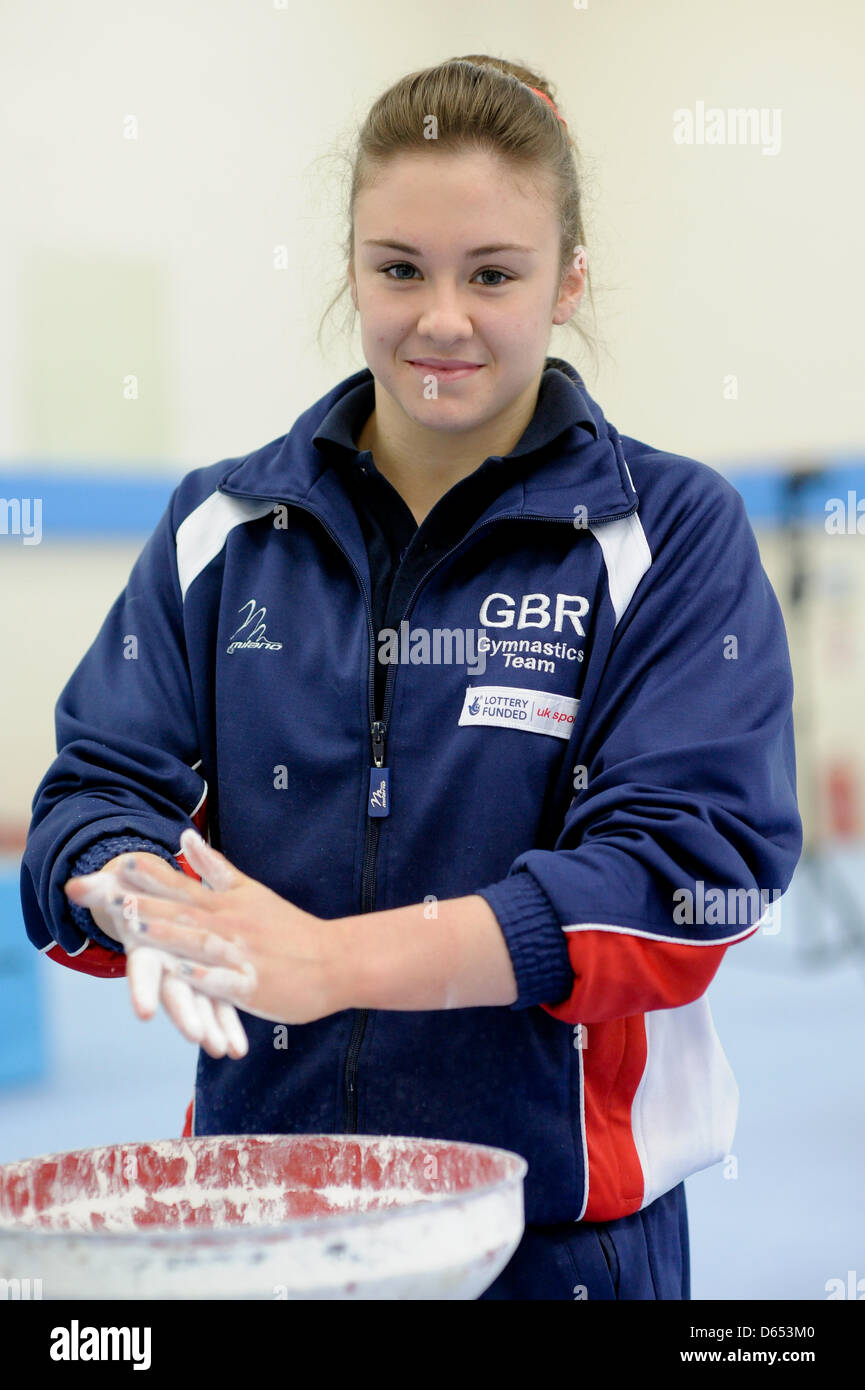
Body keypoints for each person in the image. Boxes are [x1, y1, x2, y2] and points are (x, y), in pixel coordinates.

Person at [20, 55, 802, 1300]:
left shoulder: (671, 533)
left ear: (568, 282)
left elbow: (686, 870)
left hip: (557, 1247)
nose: (442, 320)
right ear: (350, 271)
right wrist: (129, 892)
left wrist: (333, 962)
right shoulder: (220, 526)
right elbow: (94, 788)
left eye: (493, 273)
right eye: (400, 269)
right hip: (259, 1229)